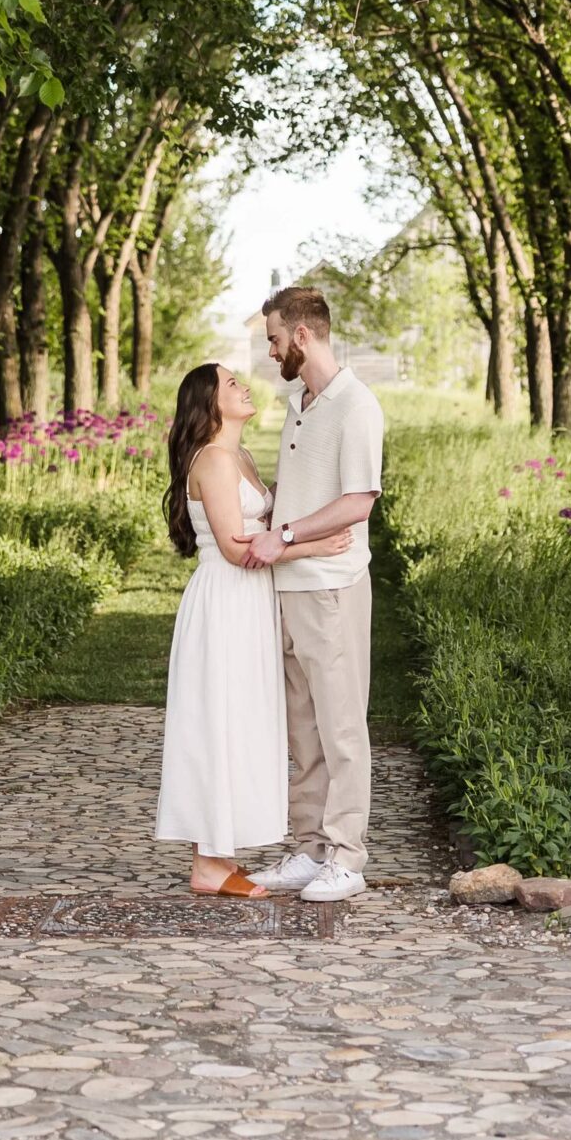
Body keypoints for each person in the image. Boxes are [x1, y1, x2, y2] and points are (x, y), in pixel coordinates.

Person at [154, 361, 353, 895]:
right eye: (231, 383)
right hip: (224, 601)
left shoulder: (239, 455)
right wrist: (313, 543)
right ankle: (207, 864)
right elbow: (236, 548)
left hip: (250, 602)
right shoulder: (215, 461)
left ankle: (219, 854)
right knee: (216, 722)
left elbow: (262, 529)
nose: (244, 386)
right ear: (210, 402)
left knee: (241, 722)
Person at [242, 285, 384, 904]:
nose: (271, 352)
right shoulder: (301, 403)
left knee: (341, 729)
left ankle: (347, 858)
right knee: (302, 732)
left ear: (302, 335)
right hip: (290, 587)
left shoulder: (356, 406)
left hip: (332, 588)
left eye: (274, 339)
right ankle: (308, 850)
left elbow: (359, 501)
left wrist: (287, 535)